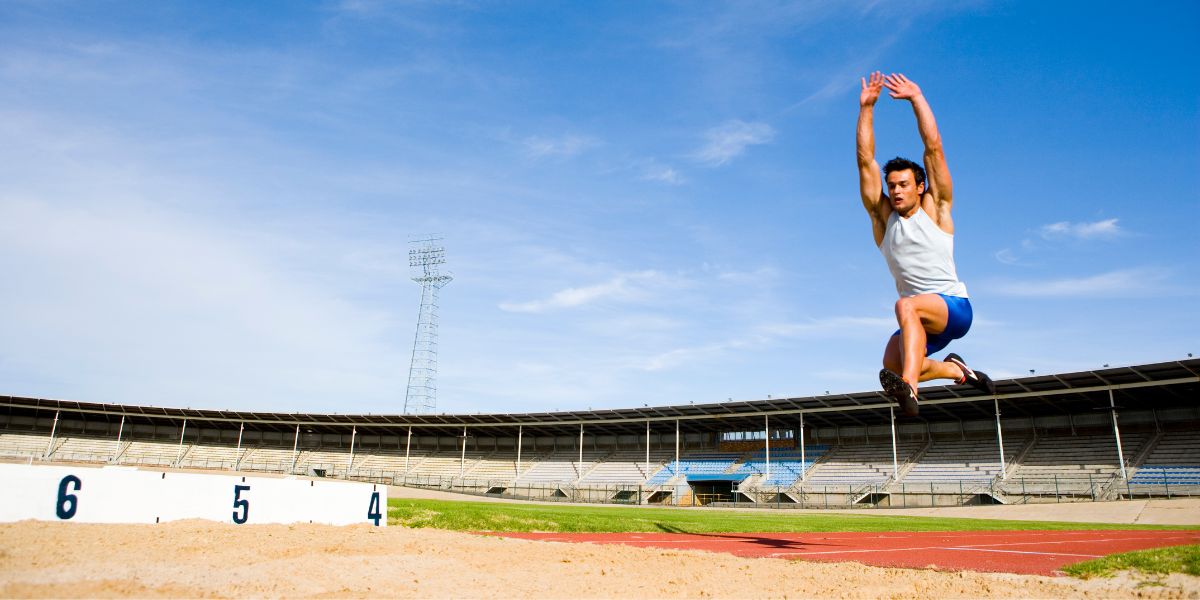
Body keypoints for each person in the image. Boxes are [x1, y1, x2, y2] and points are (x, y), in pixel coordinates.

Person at [855, 71, 995, 417]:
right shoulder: (883, 221)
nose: (896, 191)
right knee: (892, 362)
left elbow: (934, 148)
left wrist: (917, 98)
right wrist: (867, 109)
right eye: (892, 185)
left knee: (906, 307)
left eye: (904, 184)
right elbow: (865, 160)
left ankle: (911, 390)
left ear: (920, 187)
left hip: (953, 308)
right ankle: (955, 371)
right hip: (920, 322)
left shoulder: (936, 209)